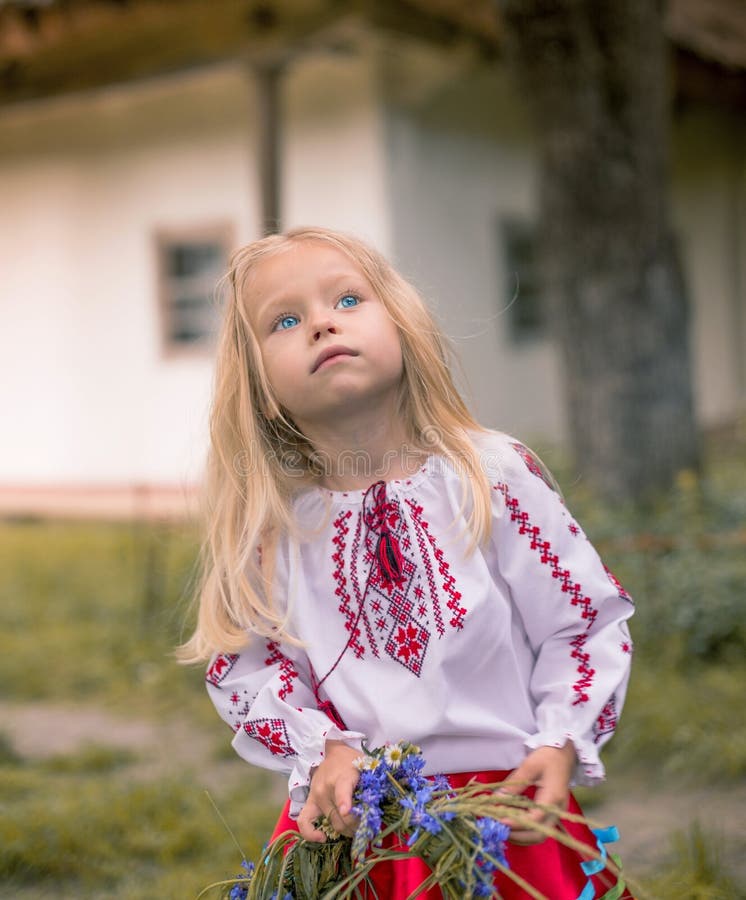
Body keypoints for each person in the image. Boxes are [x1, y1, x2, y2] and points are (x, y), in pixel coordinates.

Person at [180, 226, 635, 899]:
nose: (321, 324)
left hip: (506, 820)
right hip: (354, 830)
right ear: (260, 390)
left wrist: (561, 738)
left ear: (403, 324)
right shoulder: (273, 531)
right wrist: (323, 748)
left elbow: (583, 623)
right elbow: (247, 668)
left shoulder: (491, 477)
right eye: (284, 319)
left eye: (347, 300)